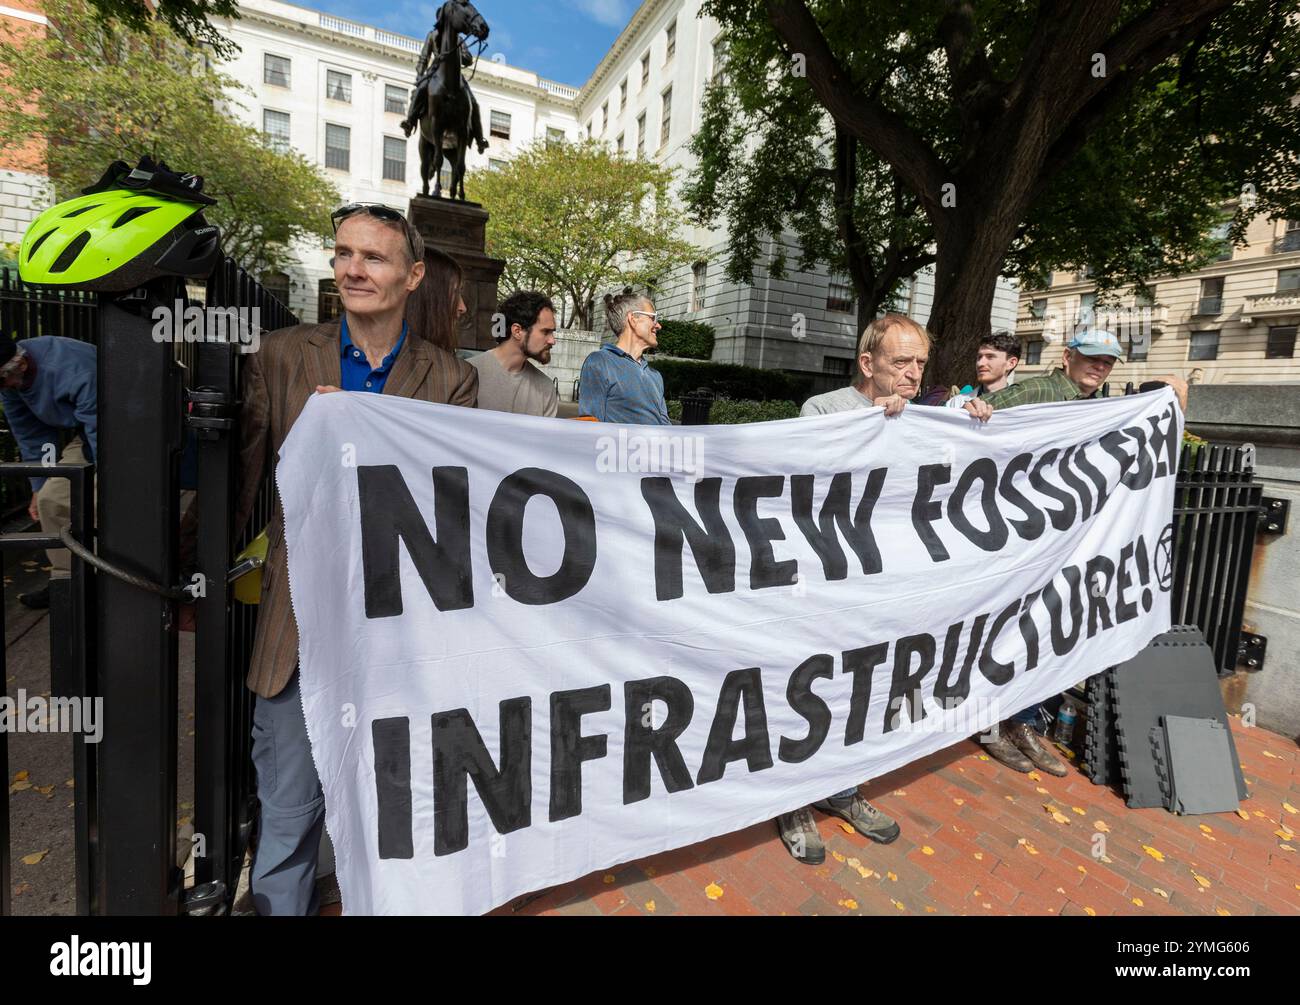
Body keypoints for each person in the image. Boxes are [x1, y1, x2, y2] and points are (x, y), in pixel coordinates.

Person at [235, 204, 477, 915]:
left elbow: (450, 496)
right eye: (344, 253)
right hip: (297, 627)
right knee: (287, 804)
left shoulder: (450, 377)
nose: (352, 269)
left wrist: (367, 436)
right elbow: (239, 477)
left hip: (394, 627)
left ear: (412, 275)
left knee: (382, 798)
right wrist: (182, 571)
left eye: (373, 258)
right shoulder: (281, 354)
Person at [961, 328, 1187, 775]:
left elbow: (1176, 398)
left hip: (1064, 543)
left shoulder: (1103, 408)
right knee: (1002, 632)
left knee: (1048, 635)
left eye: (1108, 362)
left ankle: (1021, 722)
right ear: (1067, 357)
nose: (1100, 367)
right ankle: (986, 724)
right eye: (1092, 358)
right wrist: (976, 407)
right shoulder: (1044, 388)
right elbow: (977, 418)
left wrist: (1173, 393)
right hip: (1022, 538)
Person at [772, 314, 930, 865]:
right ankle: (791, 800)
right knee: (805, 687)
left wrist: (975, 418)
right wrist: (872, 431)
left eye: (920, 364)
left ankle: (841, 790)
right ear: (868, 364)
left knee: (858, 691)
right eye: (900, 362)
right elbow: (806, 481)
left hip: (880, 591)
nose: (912, 375)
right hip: (820, 585)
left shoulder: (923, 417)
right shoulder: (824, 410)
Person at [0, 336, 97, 609]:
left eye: (2, 380)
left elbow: (102, 427)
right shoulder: (11, 386)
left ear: (20, 363)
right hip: (87, 432)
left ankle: (106, 580)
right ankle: (67, 583)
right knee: (50, 499)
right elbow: (35, 437)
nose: (3, 389)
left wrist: (109, 479)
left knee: (105, 498)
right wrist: (39, 484)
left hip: (118, 424)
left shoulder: (71, 369)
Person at [400, 7, 488, 152]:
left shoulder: (459, 39)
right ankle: (410, 121)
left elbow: (468, 58)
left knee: (473, 102)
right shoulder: (432, 36)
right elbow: (423, 58)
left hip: (455, 76)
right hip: (435, 73)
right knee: (420, 90)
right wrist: (420, 76)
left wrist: (462, 55)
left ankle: (479, 138)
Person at [578, 292, 671, 425]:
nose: (658, 325)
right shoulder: (600, 362)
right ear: (633, 319)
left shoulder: (655, 376)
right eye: (653, 318)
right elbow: (590, 425)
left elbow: (666, 428)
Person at [469, 290, 559, 416]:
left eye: (552, 332)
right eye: (545, 332)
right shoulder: (468, 375)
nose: (552, 340)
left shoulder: (546, 389)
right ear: (517, 331)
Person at [943, 330, 1020, 409]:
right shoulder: (955, 404)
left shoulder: (1021, 407)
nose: (980, 363)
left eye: (990, 356)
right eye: (979, 357)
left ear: (1011, 363)